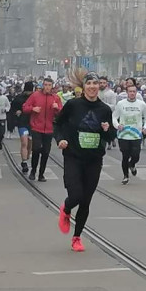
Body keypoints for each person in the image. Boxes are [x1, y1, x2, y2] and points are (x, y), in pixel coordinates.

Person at [53, 73, 116, 252]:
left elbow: (110, 136)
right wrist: (60, 139)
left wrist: (107, 130)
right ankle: (66, 208)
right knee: (76, 195)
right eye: (89, 83)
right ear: (84, 86)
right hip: (73, 156)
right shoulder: (73, 105)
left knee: (86, 201)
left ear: (99, 86)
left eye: (96, 83)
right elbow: (57, 123)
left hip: (94, 159)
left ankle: (76, 237)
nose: (92, 86)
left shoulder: (104, 109)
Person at [22, 77, 63, 182]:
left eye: (49, 85)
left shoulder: (55, 98)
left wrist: (56, 108)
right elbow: (25, 107)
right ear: (42, 85)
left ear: (52, 86)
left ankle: (41, 174)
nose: (47, 87)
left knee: (45, 152)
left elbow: (62, 114)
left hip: (49, 129)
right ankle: (33, 171)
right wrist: (33, 109)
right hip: (37, 128)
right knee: (36, 150)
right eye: (45, 85)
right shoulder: (35, 95)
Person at [112, 83, 146, 183]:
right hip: (124, 134)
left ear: (136, 93)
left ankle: (132, 164)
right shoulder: (121, 104)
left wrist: (145, 127)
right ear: (127, 93)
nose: (132, 93)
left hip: (136, 134)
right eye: (130, 91)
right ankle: (126, 176)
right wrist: (117, 125)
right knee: (125, 156)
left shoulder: (141, 104)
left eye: (134, 91)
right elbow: (114, 117)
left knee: (135, 155)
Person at [9, 81, 34, 175]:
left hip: (33, 124)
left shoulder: (35, 98)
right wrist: (16, 112)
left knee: (30, 144)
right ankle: (24, 162)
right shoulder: (19, 98)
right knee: (24, 142)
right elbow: (12, 109)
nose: (29, 93)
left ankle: (27, 157)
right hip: (22, 123)